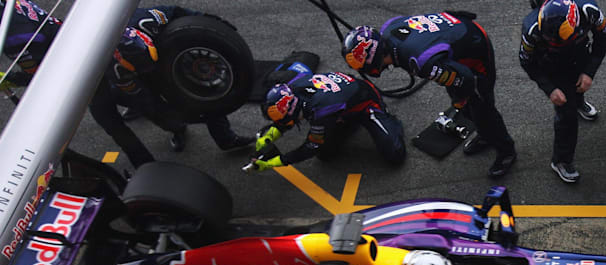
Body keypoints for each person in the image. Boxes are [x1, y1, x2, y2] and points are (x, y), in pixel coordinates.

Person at [341, 12, 517, 178]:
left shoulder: (421, 62)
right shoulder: (388, 28)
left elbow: (466, 80)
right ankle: (485, 135)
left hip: (474, 49)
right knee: (467, 109)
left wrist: (460, 101)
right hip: (455, 36)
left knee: (481, 108)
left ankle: (506, 151)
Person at [88, 7, 254, 167]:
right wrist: (175, 117)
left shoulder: (147, 19)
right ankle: (171, 136)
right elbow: (144, 99)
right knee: (150, 111)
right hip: (110, 77)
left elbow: (178, 11)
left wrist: (214, 22)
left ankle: (225, 138)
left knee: (200, 88)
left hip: (158, 54)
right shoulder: (117, 72)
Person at [519, 0, 606, 183]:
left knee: (579, 84)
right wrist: (550, 89)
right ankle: (561, 161)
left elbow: (604, 39)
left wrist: (589, 72)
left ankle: (578, 102)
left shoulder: (590, 11)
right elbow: (527, 62)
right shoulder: (531, 29)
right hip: (553, 67)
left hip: (580, 55)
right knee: (566, 116)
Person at [249, 71, 405, 172]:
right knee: (326, 154)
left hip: (367, 101)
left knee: (395, 154)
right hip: (343, 101)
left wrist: (276, 162)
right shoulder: (292, 90)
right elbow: (285, 119)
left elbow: (311, 147)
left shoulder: (321, 110)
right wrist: (269, 136)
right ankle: (346, 120)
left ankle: (388, 121)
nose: (279, 121)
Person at [0, 0, 61, 89]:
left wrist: (12, 79)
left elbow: (44, 76)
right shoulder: (9, 5)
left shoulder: (13, 39)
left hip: (70, 65)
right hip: (67, 33)